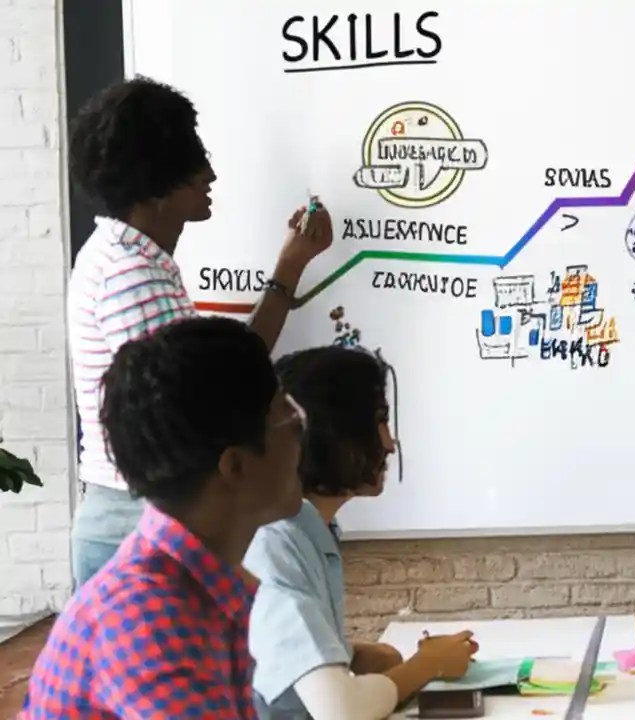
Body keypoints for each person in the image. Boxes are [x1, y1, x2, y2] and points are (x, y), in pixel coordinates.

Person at [67, 76, 333, 586]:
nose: (210, 174)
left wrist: (290, 265)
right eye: (195, 164)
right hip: (139, 521)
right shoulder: (131, 275)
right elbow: (204, 402)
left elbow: (223, 372)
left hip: (134, 517)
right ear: (158, 185)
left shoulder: (131, 260)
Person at [21, 317, 305, 718]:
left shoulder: (198, 589)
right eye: (285, 414)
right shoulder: (147, 619)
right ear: (235, 465)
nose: (300, 429)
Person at [244, 345, 478, 719]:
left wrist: (346, 653)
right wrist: (426, 665)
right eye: (380, 422)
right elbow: (341, 713)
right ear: (334, 432)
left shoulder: (310, 530)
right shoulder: (274, 545)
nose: (390, 443)